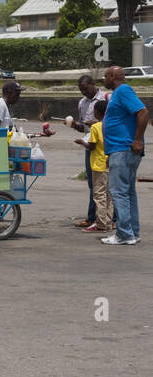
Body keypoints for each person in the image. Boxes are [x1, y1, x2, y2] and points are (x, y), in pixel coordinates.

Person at [100, 65, 147, 245]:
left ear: (112, 76)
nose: (104, 79)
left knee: (118, 191)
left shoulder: (123, 90)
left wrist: (137, 140)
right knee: (127, 192)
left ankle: (124, 234)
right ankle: (132, 232)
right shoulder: (119, 93)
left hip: (123, 148)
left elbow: (142, 112)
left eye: (105, 76)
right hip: (120, 149)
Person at [72, 75, 108, 228]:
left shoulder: (105, 98)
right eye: (81, 90)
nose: (83, 92)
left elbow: (112, 120)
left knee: (106, 185)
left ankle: (107, 219)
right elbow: (83, 128)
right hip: (90, 144)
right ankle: (93, 217)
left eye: (85, 89)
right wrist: (74, 125)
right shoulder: (82, 103)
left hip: (104, 146)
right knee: (92, 184)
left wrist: (98, 123)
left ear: (93, 84)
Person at [75, 99, 113, 233]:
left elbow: (92, 146)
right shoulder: (111, 124)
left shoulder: (96, 127)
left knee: (99, 195)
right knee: (108, 195)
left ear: (97, 112)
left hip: (98, 165)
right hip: (111, 164)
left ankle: (100, 224)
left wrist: (81, 142)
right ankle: (108, 222)